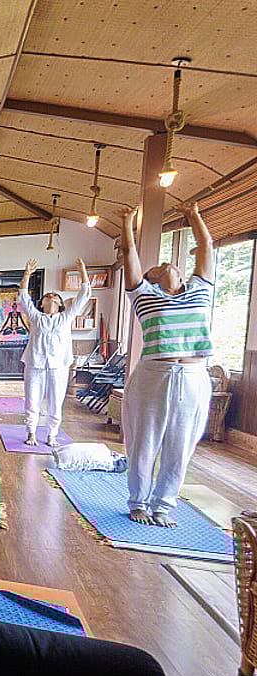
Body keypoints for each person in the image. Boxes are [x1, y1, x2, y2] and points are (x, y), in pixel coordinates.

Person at [118, 203, 215, 528]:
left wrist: (194, 215)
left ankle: (164, 506)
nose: (167, 263)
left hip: (193, 377)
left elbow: (206, 247)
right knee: (144, 443)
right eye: (158, 265)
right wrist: (127, 222)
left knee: (180, 446)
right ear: (151, 279)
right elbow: (130, 254)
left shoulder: (201, 291)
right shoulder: (144, 295)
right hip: (154, 377)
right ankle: (139, 503)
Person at [17, 256, 92, 447]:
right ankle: (31, 432)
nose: (51, 297)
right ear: (41, 304)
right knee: (32, 401)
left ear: (60, 304)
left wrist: (82, 271)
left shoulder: (66, 317)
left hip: (58, 366)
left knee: (55, 402)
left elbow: (84, 295)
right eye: (47, 296)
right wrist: (27, 274)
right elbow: (24, 297)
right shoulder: (36, 317)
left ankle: (52, 435)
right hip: (35, 364)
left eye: (55, 296)